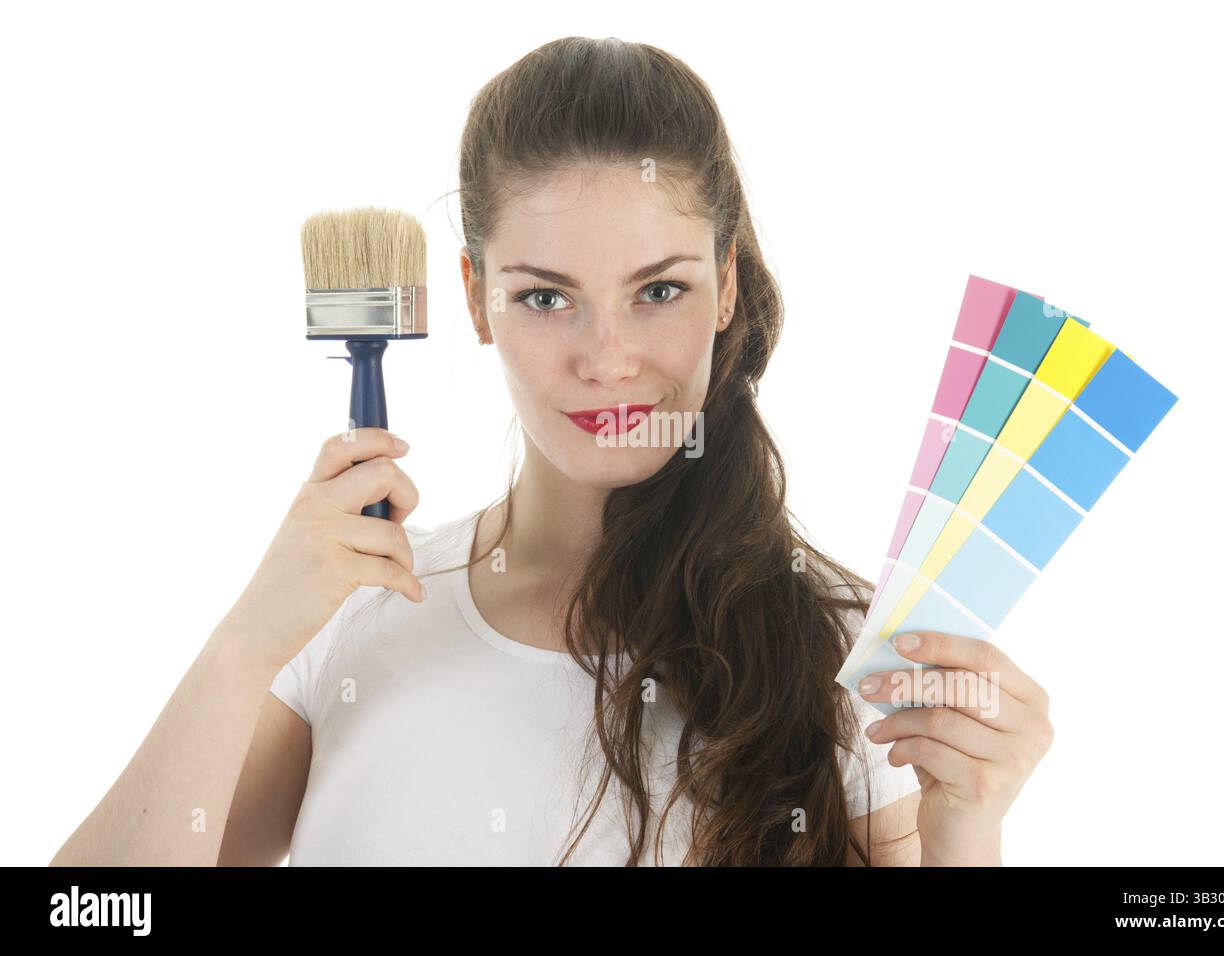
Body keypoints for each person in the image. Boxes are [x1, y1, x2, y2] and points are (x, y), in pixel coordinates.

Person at [50, 36, 1052, 867]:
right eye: (544, 295)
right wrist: (242, 645)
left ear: (728, 285)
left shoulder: (847, 660)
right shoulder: (353, 619)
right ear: (477, 297)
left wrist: (966, 830)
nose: (605, 360)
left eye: (658, 290)